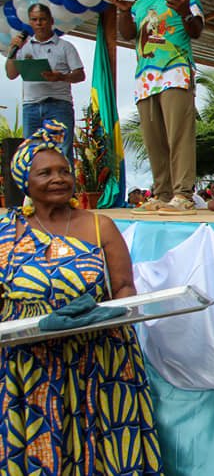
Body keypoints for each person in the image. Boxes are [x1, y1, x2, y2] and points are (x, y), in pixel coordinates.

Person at [0, 120, 163, 474]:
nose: (58, 178)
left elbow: (123, 287)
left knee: (102, 448)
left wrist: (105, 315)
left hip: (98, 355)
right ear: (24, 182)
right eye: (45, 173)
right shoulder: (6, 232)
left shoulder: (98, 225)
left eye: (64, 170)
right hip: (30, 362)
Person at [109, 0, 204, 215]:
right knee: (154, 140)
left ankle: (183, 195)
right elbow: (128, 34)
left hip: (175, 72)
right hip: (145, 78)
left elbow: (196, 31)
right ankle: (162, 194)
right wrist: (123, 11)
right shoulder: (138, 3)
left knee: (179, 136)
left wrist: (185, 11)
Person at [4, 3, 84, 161]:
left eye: (42, 19)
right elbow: (11, 74)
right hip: (31, 107)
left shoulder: (65, 46)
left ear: (51, 21)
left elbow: (80, 75)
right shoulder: (23, 48)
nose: (39, 23)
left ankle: (64, 185)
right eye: (34, 20)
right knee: (32, 155)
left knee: (62, 153)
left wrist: (61, 77)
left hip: (59, 105)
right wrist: (12, 51)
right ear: (30, 22)